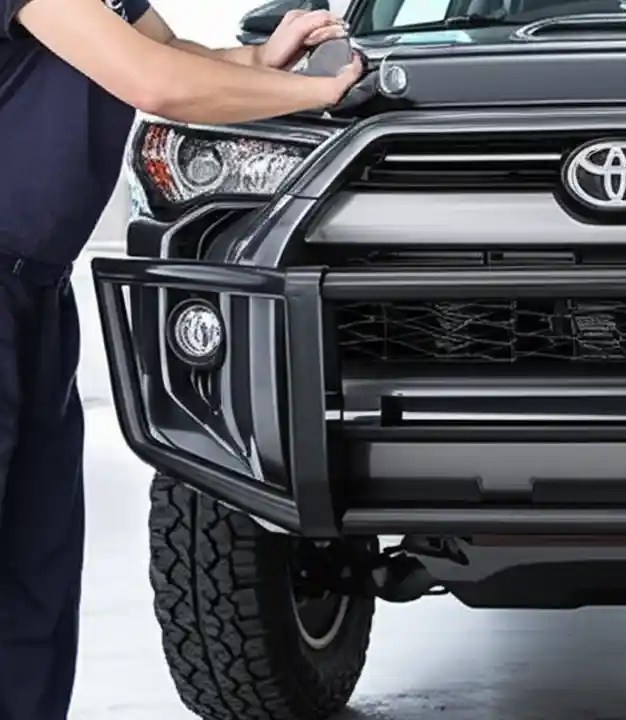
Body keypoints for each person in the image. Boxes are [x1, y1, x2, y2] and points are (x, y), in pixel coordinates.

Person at [0, 1, 363, 717]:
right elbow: (155, 83)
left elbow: (167, 49)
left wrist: (260, 61)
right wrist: (318, 92)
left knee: (36, 571)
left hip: (35, 289)